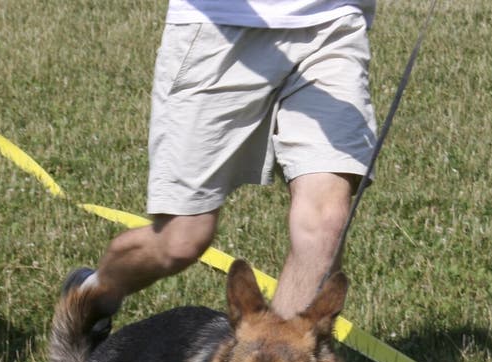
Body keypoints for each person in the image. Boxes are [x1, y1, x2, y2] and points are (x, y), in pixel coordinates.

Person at [69, 1, 377, 319]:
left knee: (326, 222)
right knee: (182, 239)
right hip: (221, 27)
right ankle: (92, 292)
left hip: (333, 24)